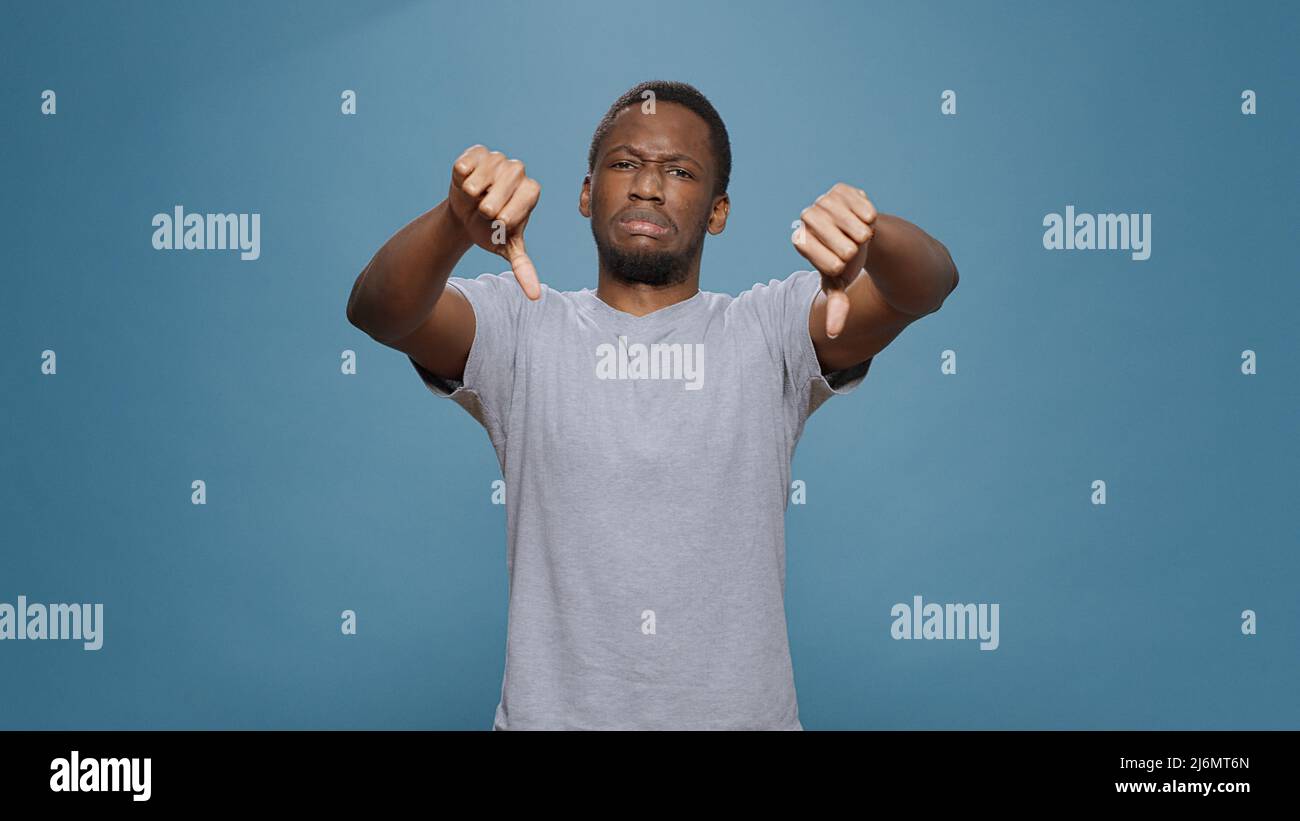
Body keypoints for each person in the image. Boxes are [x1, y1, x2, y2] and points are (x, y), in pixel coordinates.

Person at [346, 80, 958, 730]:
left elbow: (928, 285)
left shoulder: (770, 330)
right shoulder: (520, 327)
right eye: (625, 163)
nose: (647, 185)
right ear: (587, 194)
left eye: (680, 170)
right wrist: (452, 225)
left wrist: (874, 236)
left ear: (717, 211)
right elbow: (377, 311)